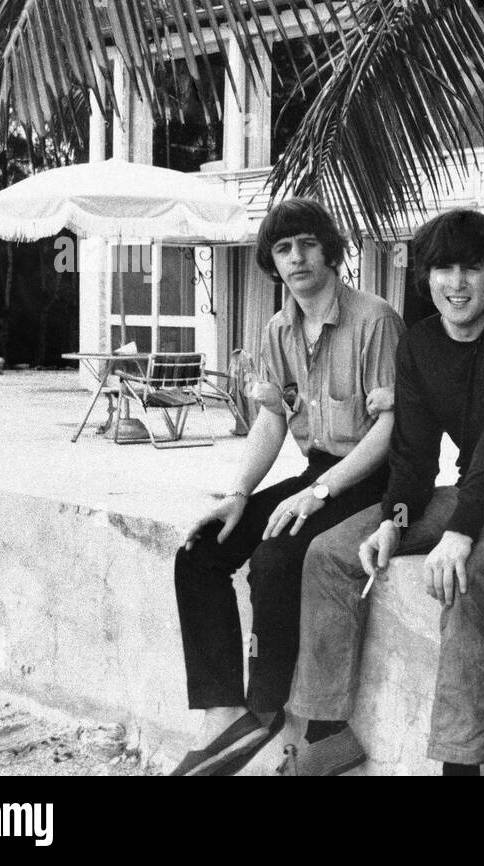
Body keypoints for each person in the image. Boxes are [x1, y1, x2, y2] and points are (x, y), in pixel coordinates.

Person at [287, 208, 484, 776]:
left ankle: (461, 763)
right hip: (466, 493)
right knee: (330, 552)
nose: (456, 284)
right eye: (443, 269)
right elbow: (412, 452)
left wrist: (460, 532)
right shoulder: (419, 345)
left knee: (469, 574)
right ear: (425, 275)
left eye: (472, 269)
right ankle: (327, 733)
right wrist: (395, 519)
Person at [170, 198, 404, 776]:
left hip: (373, 477)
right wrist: (240, 493)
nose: (296, 258)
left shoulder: (374, 320)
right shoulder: (279, 328)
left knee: (276, 557)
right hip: (318, 469)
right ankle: (223, 708)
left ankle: (264, 707)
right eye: (282, 248)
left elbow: (391, 429)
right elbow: (272, 419)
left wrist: (318, 493)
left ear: (330, 250)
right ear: (271, 262)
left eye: (306, 244)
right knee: (199, 553)